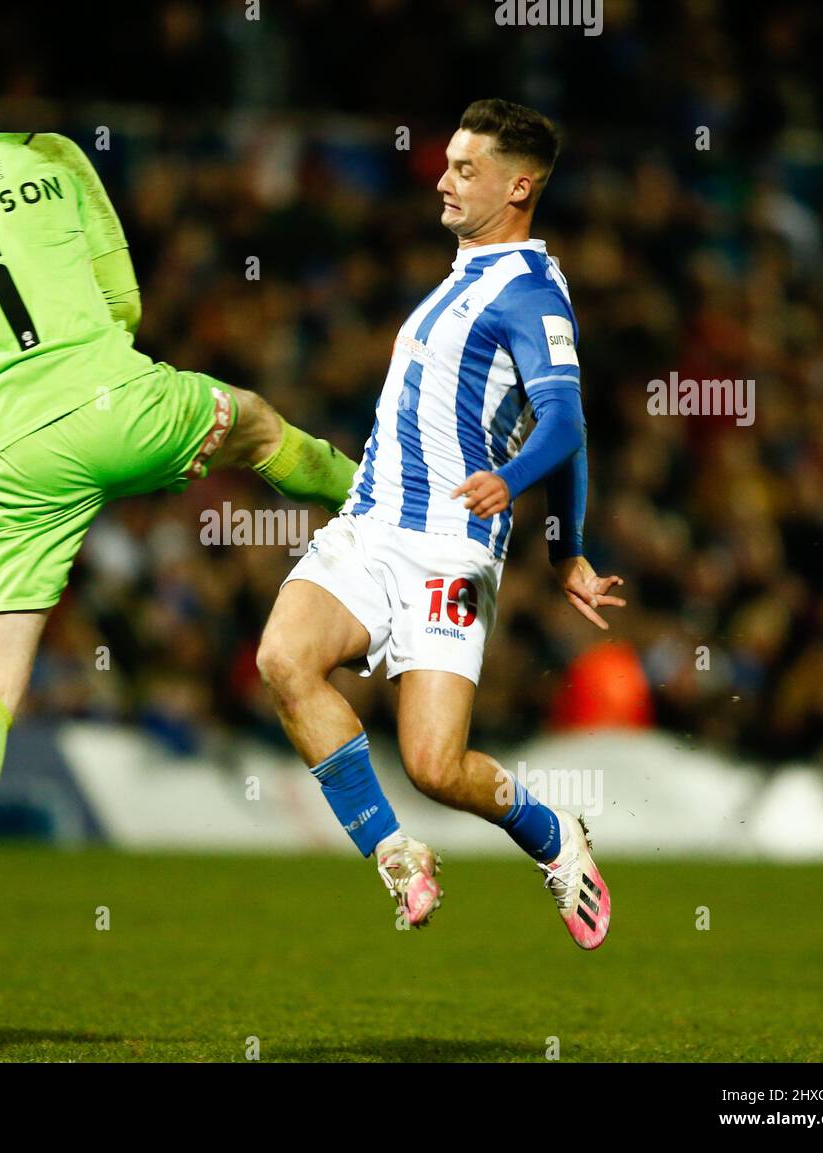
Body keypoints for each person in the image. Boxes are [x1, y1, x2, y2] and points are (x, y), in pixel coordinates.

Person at [0, 27, 358, 1023]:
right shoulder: (47, 156)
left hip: (9, 457)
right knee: (258, 424)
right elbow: (122, 305)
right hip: (110, 403)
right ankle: (380, 498)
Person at [257, 99, 625, 947]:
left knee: (435, 765)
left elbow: (566, 425)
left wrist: (524, 495)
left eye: (466, 168)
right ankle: (396, 853)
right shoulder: (457, 282)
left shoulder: (533, 296)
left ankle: (552, 835)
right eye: (447, 162)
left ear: (519, 185)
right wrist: (568, 548)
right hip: (371, 522)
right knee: (283, 657)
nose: (443, 179)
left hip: (451, 551)